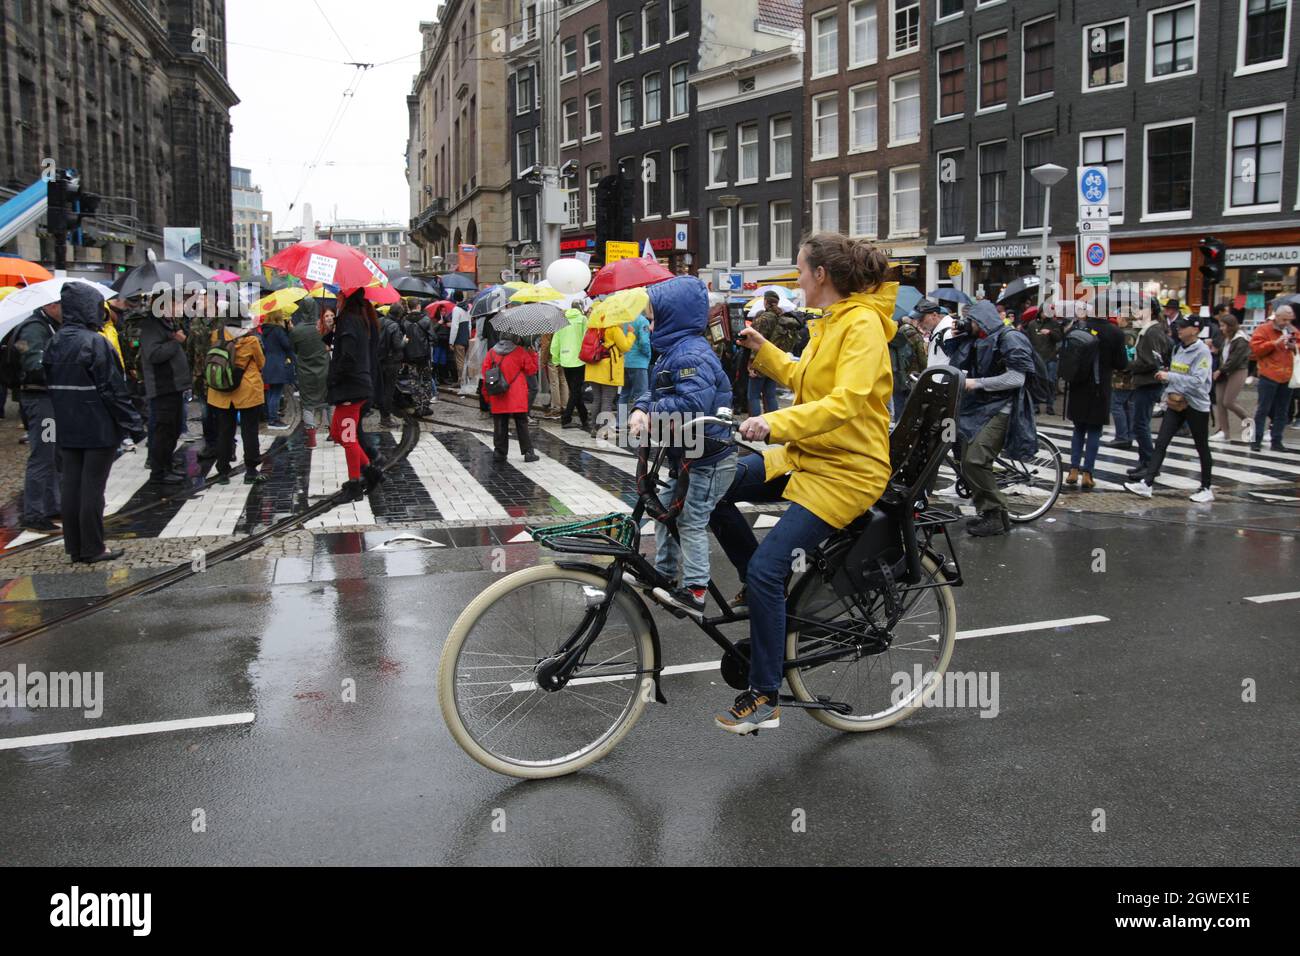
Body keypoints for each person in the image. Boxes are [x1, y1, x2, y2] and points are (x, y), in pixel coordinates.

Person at [707, 233, 896, 734]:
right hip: (809, 455)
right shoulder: (830, 321)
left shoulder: (862, 327)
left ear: (821, 276)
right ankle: (759, 586)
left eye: (799, 269)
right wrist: (765, 349)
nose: (795, 278)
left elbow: (848, 402)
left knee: (772, 570)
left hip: (847, 471)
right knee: (714, 488)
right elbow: (807, 380)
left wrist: (775, 423)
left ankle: (765, 694)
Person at [627, 277, 736, 619]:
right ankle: (664, 573)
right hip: (691, 455)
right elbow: (659, 391)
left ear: (674, 318)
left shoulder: (691, 354)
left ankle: (695, 590)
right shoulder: (674, 352)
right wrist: (642, 407)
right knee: (662, 513)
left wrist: (651, 413)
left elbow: (692, 403)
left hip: (708, 459)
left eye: (655, 318)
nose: (650, 324)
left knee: (691, 520)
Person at [42, 282, 143, 563]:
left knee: (72, 486)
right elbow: (112, 390)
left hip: (66, 424)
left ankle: (74, 546)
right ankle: (93, 547)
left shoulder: (55, 341)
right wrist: (134, 426)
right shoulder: (95, 342)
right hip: (96, 425)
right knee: (92, 489)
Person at [942, 299, 1038, 536]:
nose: (968, 324)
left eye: (971, 321)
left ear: (982, 320)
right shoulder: (979, 337)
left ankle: (995, 514)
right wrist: (958, 335)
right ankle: (990, 512)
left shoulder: (1010, 338)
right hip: (980, 407)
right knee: (964, 457)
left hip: (1003, 407)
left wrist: (978, 383)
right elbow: (955, 357)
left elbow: (1017, 378)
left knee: (975, 460)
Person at [1124, 315, 1215, 502]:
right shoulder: (1177, 348)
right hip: (1176, 403)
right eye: (1178, 326)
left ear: (1195, 330)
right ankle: (1147, 483)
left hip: (1196, 404)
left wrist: (1169, 378)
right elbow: (1174, 373)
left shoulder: (1202, 351)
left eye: (1183, 327)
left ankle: (1206, 487)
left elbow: (1198, 381)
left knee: (1201, 446)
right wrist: (1169, 393)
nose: (1178, 329)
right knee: (1161, 442)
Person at [9, 298, 63, 531]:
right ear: (51, 305)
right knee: (43, 454)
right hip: (40, 401)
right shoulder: (33, 329)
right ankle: (33, 513)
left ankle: (52, 505)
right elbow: (33, 365)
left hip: (47, 400)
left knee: (51, 452)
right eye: (63, 305)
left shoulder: (48, 326)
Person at [1062, 302, 1128, 489]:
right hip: (1100, 387)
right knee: (1094, 431)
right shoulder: (1115, 332)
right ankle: (1088, 473)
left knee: (1078, 429)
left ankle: (1073, 469)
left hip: (1077, 385)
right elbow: (1121, 363)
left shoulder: (1077, 328)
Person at [327, 289, 384, 502]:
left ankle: (354, 486)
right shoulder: (354, 319)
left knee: (348, 437)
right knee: (337, 432)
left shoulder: (350, 320)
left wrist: (335, 377)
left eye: (340, 295)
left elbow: (348, 355)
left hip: (351, 386)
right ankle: (371, 472)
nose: (337, 299)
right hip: (352, 385)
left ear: (346, 299)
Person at [206, 314, 268, 484]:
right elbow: (261, 362)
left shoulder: (216, 335)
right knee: (250, 431)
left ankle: (223, 471)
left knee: (224, 432)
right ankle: (250, 471)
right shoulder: (251, 340)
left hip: (221, 391)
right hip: (247, 391)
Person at [136, 295, 191, 484]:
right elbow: (154, 354)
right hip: (163, 387)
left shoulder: (168, 323)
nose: (181, 306)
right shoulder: (152, 326)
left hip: (174, 386)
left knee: (173, 429)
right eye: (177, 303)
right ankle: (159, 472)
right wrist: (175, 342)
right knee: (164, 430)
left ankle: (166, 464)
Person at [1125, 302, 1174, 479]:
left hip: (1149, 382)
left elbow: (1152, 361)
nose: (1135, 312)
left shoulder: (1152, 332)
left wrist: (1129, 366)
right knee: (1140, 423)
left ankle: (1150, 464)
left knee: (1140, 424)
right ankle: (1145, 461)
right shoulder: (1149, 330)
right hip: (1146, 382)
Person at [483, 332, 540, 464]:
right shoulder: (520, 351)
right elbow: (531, 370)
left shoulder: (491, 353)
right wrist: (532, 354)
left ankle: (499, 453)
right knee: (521, 423)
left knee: (500, 424)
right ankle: (528, 452)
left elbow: (485, 374)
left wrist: (487, 396)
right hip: (517, 394)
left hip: (498, 394)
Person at [1248, 304, 1296, 452]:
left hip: (1287, 375)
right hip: (1269, 375)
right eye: (1284, 319)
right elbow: (1255, 349)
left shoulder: (1292, 331)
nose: (1287, 323)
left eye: (1290, 320)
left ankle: (1277, 440)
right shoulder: (1264, 329)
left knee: (1283, 410)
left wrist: (1294, 346)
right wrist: (1274, 343)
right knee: (1263, 409)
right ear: (1277, 316)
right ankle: (1256, 440)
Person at [583, 310, 634, 439]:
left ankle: (594, 428)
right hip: (608, 369)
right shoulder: (613, 328)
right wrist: (631, 334)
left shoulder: (594, 328)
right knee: (606, 400)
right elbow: (625, 347)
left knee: (597, 399)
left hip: (593, 368)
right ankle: (603, 430)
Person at [289, 296, 330, 448]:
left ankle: (311, 438)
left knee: (307, 404)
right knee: (328, 401)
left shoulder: (296, 331)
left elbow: (294, 350)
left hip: (305, 371)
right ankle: (333, 433)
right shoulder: (324, 328)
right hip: (324, 368)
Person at [1212, 313, 1251, 442]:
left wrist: (1220, 370)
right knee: (1220, 401)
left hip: (1237, 370)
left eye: (1223, 326)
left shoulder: (1240, 339)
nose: (1221, 328)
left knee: (1228, 401)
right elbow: (1225, 355)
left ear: (1230, 326)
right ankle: (1224, 431)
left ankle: (1249, 422)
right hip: (1224, 371)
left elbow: (1235, 359)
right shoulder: (1227, 338)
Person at [552, 306, 590, 430]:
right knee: (575, 391)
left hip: (565, 359)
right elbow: (587, 339)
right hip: (579, 360)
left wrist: (556, 359)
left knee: (575, 391)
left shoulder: (561, 321)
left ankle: (584, 418)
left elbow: (555, 343)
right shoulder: (583, 320)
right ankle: (566, 418)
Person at [1022, 305, 1063, 415]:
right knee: (1036, 382)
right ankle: (1036, 405)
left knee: (1051, 381)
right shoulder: (1032, 324)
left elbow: (1059, 337)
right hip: (1036, 358)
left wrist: (1050, 333)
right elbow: (1028, 340)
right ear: (1040, 312)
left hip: (1051, 357)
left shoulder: (1054, 324)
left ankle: (1050, 405)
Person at [258, 309, 296, 429]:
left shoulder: (266, 330)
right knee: (276, 393)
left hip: (268, 363)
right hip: (278, 364)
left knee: (271, 392)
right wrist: (289, 331)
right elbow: (287, 345)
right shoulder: (278, 330)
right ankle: (273, 420)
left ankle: (271, 416)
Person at [1108, 311, 1139, 450]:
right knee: (1128, 406)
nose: (1117, 319)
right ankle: (1129, 435)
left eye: (1119, 316)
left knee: (1117, 405)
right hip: (1131, 377)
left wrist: (1117, 367)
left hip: (1122, 377)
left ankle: (1122, 436)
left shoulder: (1126, 335)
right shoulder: (1134, 332)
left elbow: (1127, 357)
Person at [620, 307, 652, 428]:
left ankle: (620, 423)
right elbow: (644, 342)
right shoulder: (642, 321)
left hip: (625, 361)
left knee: (624, 394)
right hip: (639, 362)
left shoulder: (623, 321)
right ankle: (639, 424)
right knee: (641, 395)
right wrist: (648, 355)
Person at [375, 306, 405, 428]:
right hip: (391, 362)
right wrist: (405, 341)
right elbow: (397, 345)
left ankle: (383, 414)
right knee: (388, 390)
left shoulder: (379, 321)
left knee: (381, 389)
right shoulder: (394, 326)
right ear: (399, 315)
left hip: (379, 360)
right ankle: (385, 418)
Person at [449, 292, 471, 387]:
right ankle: (466, 379)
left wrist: (451, 341)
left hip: (459, 338)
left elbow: (455, 326)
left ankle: (460, 381)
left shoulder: (456, 309)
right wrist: (468, 336)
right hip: (466, 337)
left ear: (455, 299)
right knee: (466, 360)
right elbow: (469, 325)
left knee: (459, 361)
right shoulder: (467, 308)